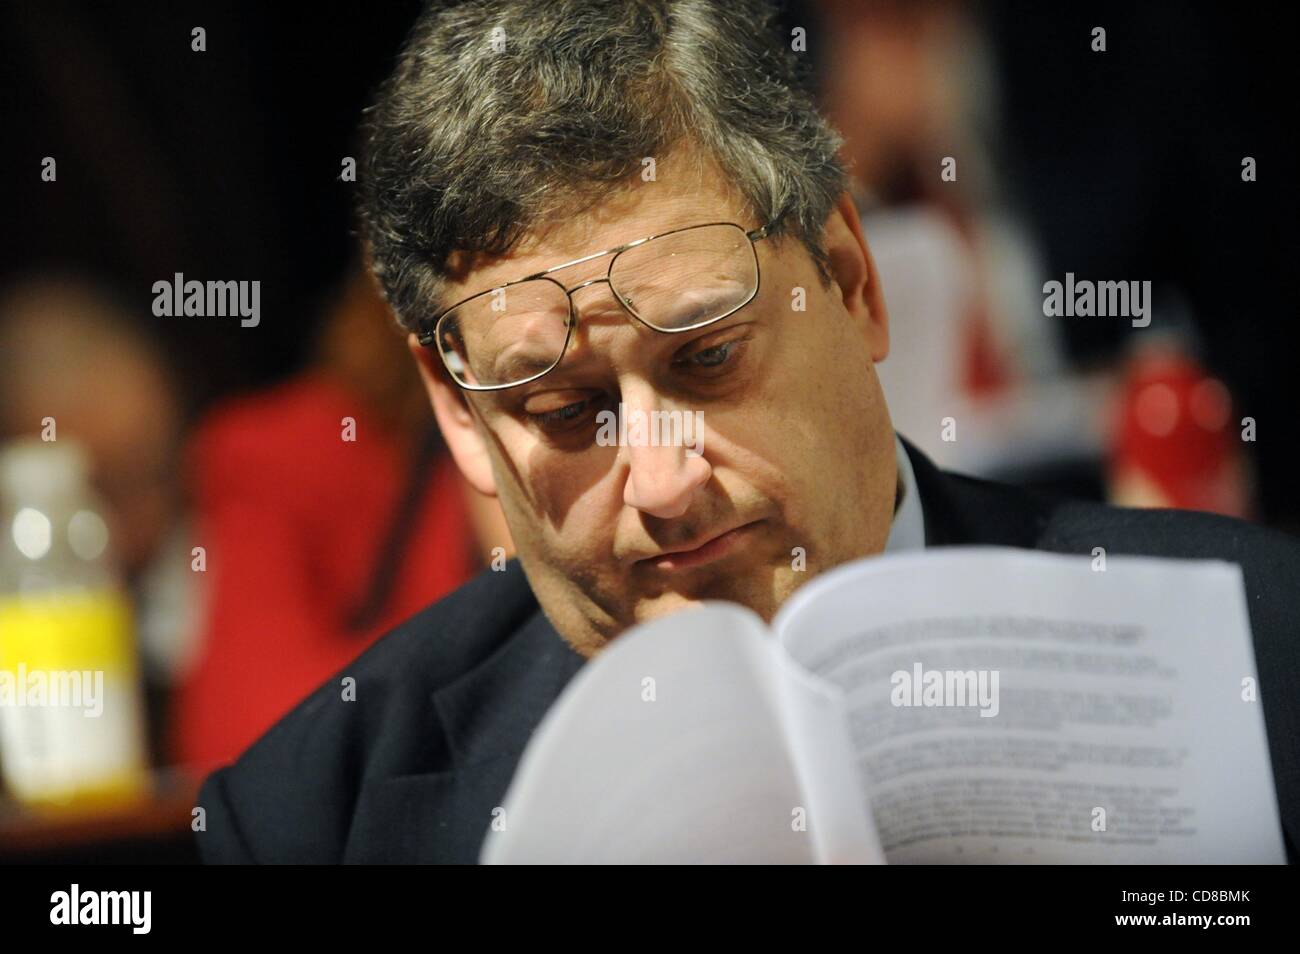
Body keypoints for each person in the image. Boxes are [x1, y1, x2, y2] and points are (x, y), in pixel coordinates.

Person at [196, 0, 1300, 863]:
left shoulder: (1259, 651)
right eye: (563, 409)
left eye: (707, 357)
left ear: (850, 279)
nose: (663, 484)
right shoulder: (319, 817)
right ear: (458, 414)